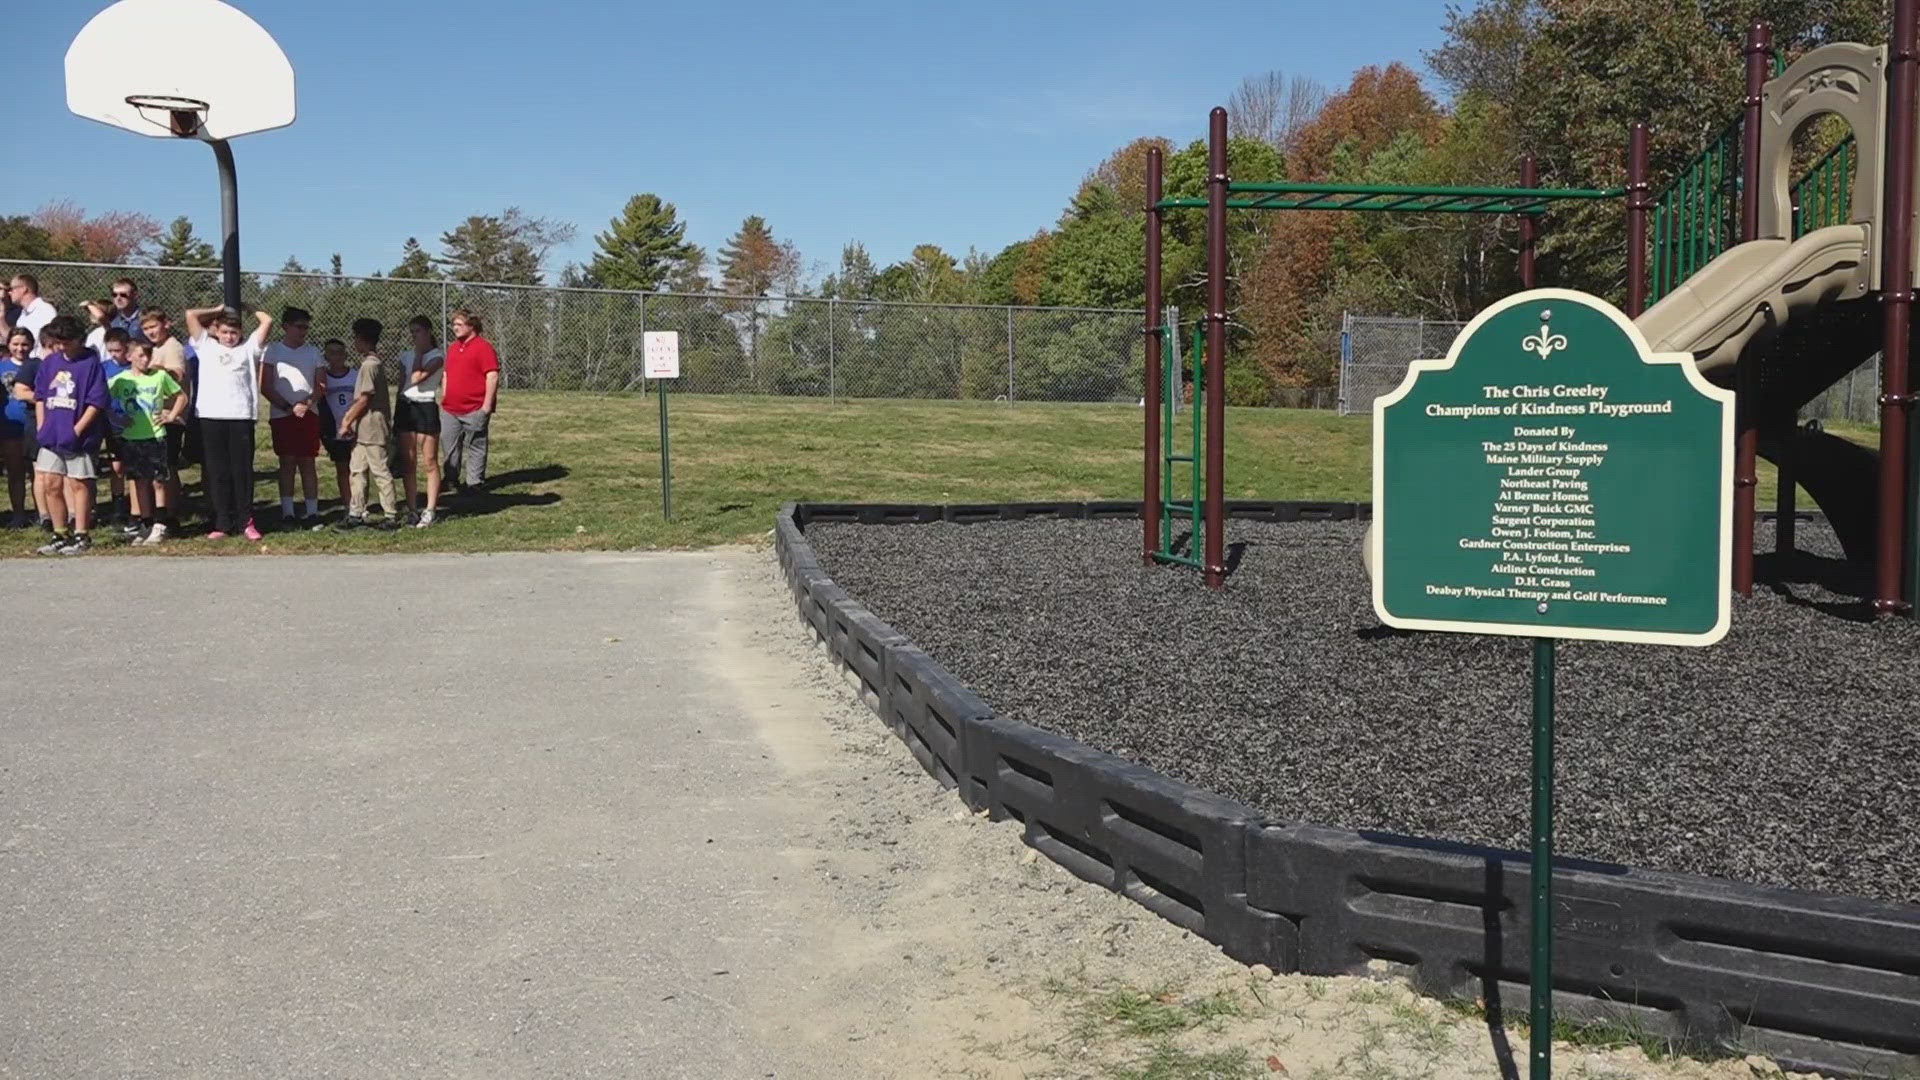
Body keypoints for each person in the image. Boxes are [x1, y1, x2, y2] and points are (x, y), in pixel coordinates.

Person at [185, 304, 272, 541]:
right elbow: (191, 315)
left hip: (240, 416)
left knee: (241, 471)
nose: (229, 337)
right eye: (224, 332)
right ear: (216, 331)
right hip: (211, 417)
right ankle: (222, 522)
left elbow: (266, 321)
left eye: (233, 333)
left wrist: (249, 307)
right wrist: (218, 309)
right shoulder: (205, 345)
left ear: (240, 333)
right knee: (217, 471)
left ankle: (246, 521)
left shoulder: (249, 348)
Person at [29, 315, 110, 555]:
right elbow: (41, 396)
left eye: (67, 342)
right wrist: (42, 428)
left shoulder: (90, 363)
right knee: (51, 484)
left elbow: (96, 402)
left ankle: (82, 534)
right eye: (58, 342)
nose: (62, 347)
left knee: (78, 483)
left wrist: (76, 430)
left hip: (77, 436)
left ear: (79, 339)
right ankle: (59, 532)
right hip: (51, 435)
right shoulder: (50, 362)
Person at [109, 339, 186, 545]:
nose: (145, 360)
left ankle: (161, 522)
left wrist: (171, 416)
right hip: (131, 437)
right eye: (141, 356)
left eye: (148, 356)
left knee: (157, 480)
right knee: (139, 481)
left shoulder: (159, 377)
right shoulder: (121, 380)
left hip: (155, 435)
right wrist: (116, 418)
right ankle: (146, 522)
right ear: (129, 357)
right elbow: (103, 400)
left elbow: (181, 396)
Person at [334, 318, 398, 530]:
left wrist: (346, 420)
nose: (354, 343)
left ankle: (390, 514)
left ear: (363, 340)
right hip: (362, 429)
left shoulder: (371, 365)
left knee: (380, 470)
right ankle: (356, 512)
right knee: (357, 470)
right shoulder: (366, 364)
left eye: (356, 338)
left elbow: (364, 398)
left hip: (373, 427)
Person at [262, 305, 323, 529]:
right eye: (299, 327)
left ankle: (312, 513)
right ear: (286, 326)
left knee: (308, 462)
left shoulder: (313, 352)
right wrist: (287, 407)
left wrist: (306, 404)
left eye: (306, 327)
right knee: (287, 462)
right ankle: (288, 512)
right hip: (282, 415)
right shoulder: (273, 351)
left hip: (308, 414)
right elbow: (265, 385)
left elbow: (320, 384)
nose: (303, 331)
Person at [141, 309, 192, 529]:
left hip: (170, 417)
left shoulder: (172, 347)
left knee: (167, 467)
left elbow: (177, 373)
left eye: (154, 326)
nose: (150, 332)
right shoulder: (155, 348)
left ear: (166, 324)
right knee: (159, 467)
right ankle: (161, 512)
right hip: (154, 416)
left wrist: (152, 369)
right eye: (146, 329)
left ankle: (170, 514)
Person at [439, 309, 497, 497]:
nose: (455, 328)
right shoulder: (453, 347)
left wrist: (486, 407)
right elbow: (447, 373)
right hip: (450, 408)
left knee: (476, 445)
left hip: (474, 408)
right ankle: (450, 480)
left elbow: (492, 375)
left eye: (459, 324)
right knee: (449, 445)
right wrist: (445, 395)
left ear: (471, 326)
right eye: (453, 324)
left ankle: (475, 483)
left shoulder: (483, 347)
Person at [393, 314, 445, 527]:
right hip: (406, 406)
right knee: (409, 461)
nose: (414, 336)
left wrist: (419, 354)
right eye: (412, 332)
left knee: (430, 460)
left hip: (425, 405)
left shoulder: (437, 356)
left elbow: (416, 377)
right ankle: (412, 508)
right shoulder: (405, 355)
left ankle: (430, 509)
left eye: (418, 331)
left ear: (428, 332)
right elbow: (402, 383)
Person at [98, 327, 134, 532]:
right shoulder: (104, 368)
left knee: (135, 466)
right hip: (111, 423)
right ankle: (118, 505)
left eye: (118, 350)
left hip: (133, 422)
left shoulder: (134, 366)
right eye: (110, 350)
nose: (114, 355)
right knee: (117, 467)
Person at [315, 338, 355, 512]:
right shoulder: (324, 378)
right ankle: (348, 503)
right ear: (326, 356)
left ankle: (360, 503)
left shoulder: (355, 375)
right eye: (331, 352)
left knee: (358, 468)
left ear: (345, 354)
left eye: (339, 352)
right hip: (335, 429)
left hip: (354, 428)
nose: (336, 356)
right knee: (342, 467)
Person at [0, 328, 29, 526]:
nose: (20, 348)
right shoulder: (2, 367)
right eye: (16, 344)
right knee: (15, 471)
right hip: (10, 425)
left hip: (34, 425)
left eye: (25, 344)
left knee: (38, 473)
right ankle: (19, 514)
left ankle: (45, 515)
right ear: (9, 345)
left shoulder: (38, 365)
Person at [3, 274, 57, 358]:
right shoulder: (24, 313)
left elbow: (49, 343)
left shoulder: (45, 310)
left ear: (23, 289)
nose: (9, 293)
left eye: (12, 289)